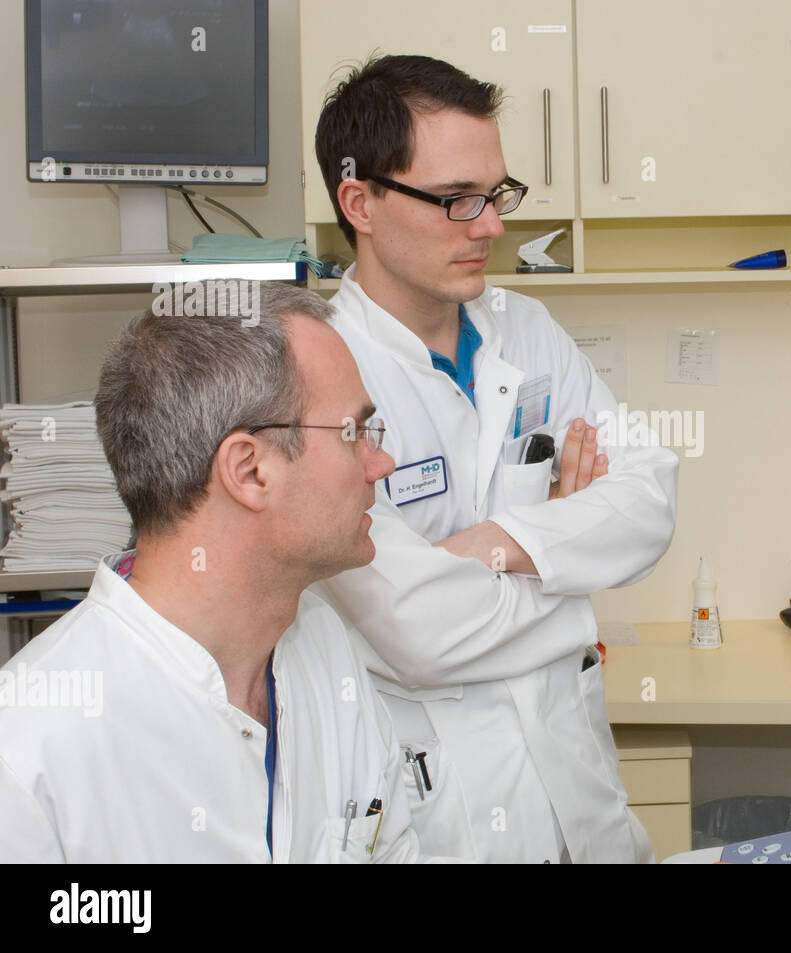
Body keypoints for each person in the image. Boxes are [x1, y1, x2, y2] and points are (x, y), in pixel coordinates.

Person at [312, 55, 679, 862]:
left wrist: (497, 544)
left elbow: (650, 495)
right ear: (359, 201)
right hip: (448, 809)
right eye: (455, 201)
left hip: (579, 786)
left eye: (496, 194)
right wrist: (569, 556)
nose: (491, 226)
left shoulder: (529, 331)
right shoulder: (316, 377)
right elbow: (415, 627)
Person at [0, 281, 432, 862]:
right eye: (356, 433)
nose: (382, 462)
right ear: (250, 471)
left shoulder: (322, 647)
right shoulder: (29, 747)